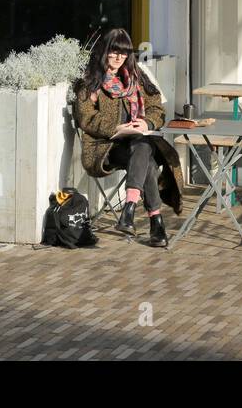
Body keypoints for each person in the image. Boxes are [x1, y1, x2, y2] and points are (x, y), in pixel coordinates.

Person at [76, 28, 183, 247]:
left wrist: (146, 123)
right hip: (106, 148)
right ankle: (155, 221)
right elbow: (86, 119)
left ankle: (131, 209)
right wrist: (116, 126)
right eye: (114, 52)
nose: (118, 58)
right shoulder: (89, 82)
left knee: (143, 148)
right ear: (104, 52)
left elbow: (156, 108)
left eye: (123, 53)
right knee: (148, 160)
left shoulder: (137, 77)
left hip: (135, 143)